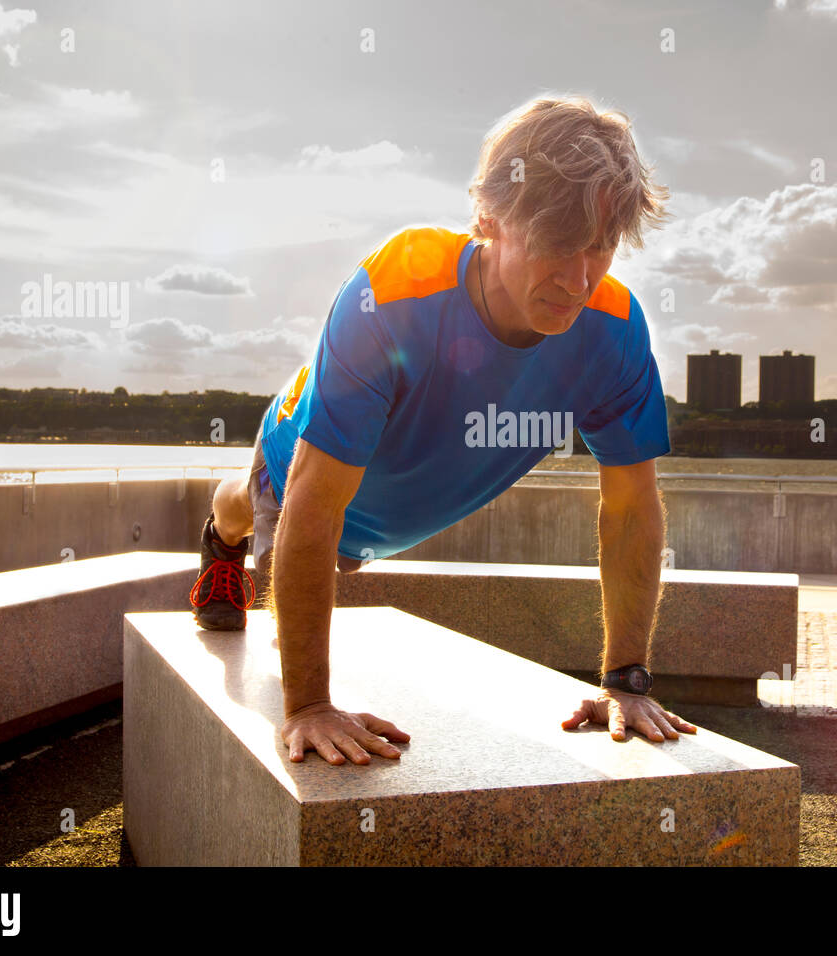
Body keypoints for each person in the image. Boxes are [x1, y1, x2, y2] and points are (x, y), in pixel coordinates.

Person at [190, 92, 698, 766]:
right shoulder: (398, 291)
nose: (578, 279)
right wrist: (309, 705)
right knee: (255, 509)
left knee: (334, 548)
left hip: (373, 508)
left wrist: (624, 681)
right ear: (490, 217)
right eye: (556, 245)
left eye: (600, 247)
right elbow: (314, 506)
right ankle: (221, 538)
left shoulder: (614, 331)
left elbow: (632, 507)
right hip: (300, 476)